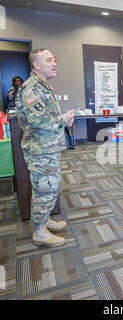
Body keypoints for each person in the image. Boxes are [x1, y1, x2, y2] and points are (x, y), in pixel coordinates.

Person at [15, 48, 74, 247]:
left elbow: (47, 118)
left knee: (49, 189)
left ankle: (44, 219)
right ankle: (39, 232)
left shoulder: (44, 86)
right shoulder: (31, 89)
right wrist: (64, 118)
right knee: (44, 190)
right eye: (49, 60)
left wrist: (62, 121)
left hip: (48, 149)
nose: (54, 63)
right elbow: (41, 121)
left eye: (54, 59)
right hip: (40, 151)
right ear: (37, 65)